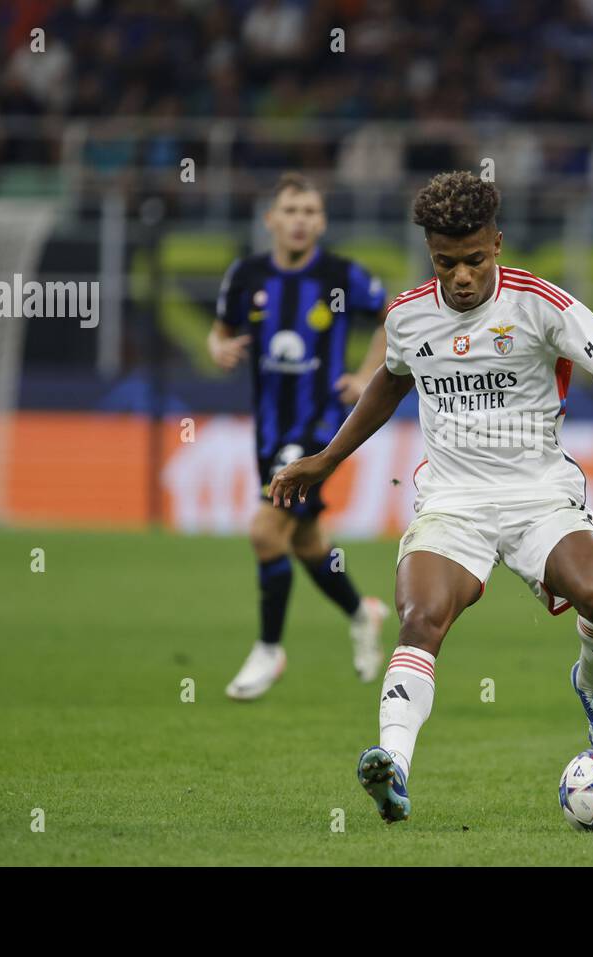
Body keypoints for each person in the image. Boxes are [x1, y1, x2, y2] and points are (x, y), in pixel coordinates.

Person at [268, 171, 593, 822]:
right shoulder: (408, 316)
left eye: (475, 260)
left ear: (498, 245)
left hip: (540, 494)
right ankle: (393, 765)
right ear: (431, 255)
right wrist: (325, 459)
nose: (461, 276)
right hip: (453, 501)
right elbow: (388, 383)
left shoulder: (540, 304)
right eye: (446, 262)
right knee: (420, 616)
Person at [211, 171, 390, 700]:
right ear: (271, 219)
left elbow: (391, 318)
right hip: (268, 429)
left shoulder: (340, 275)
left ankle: (269, 651)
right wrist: (216, 346)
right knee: (308, 543)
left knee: (266, 532)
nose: (300, 220)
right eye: (291, 210)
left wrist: (365, 376)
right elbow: (221, 330)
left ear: (322, 222)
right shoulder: (245, 275)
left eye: (311, 212)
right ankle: (362, 613)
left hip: (316, 427)